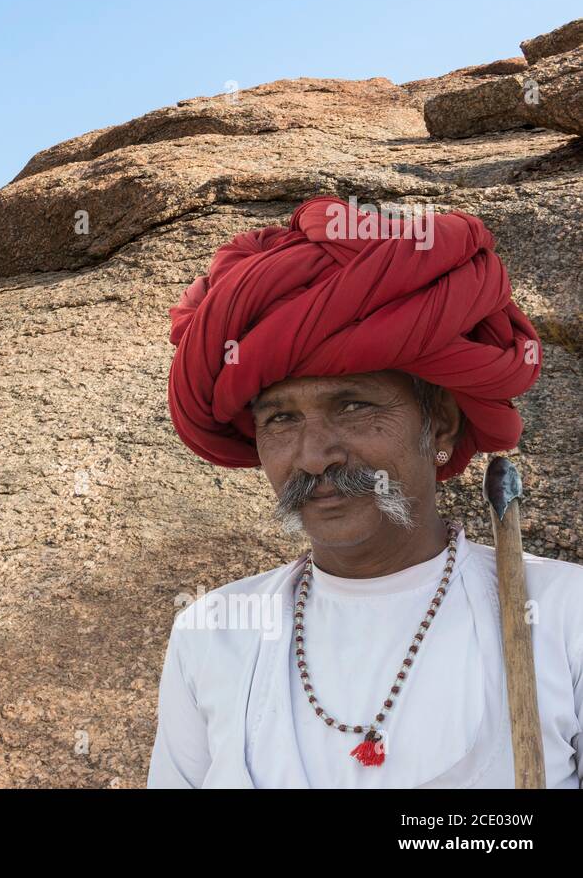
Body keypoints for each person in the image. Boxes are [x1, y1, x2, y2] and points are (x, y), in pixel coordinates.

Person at [146, 195, 583, 788]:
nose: (315, 454)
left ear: (443, 423)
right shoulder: (214, 633)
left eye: (353, 406)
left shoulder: (563, 615)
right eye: (280, 419)